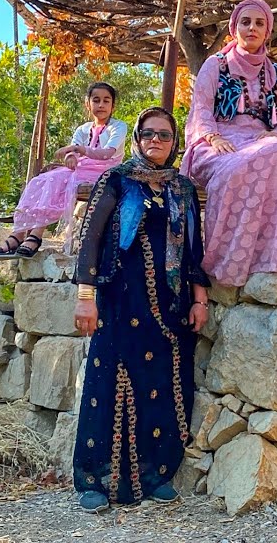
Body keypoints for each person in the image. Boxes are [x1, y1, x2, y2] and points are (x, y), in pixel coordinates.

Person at [70, 107, 210, 513]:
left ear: (175, 142)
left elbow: (194, 250)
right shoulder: (117, 180)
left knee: (161, 386)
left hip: (169, 309)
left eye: (164, 135)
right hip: (118, 302)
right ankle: (94, 480)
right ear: (136, 139)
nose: (156, 140)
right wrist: (85, 296)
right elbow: (91, 239)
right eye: (148, 133)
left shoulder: (183, 189)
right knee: (105, 386)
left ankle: (154, 474)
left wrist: (200, 299)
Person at [180, 0, 277, 287]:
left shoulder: (276, 73)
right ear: (234, 28)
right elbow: (201, 108)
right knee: (238, 167)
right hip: (216, 142)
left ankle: (271, 258)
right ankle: (224, 261)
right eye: (245, 22)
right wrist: (212, 136)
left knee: (274, 153)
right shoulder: (216, 65)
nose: (252, 28)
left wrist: (275, 135)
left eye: (259, 23)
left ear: (268, 31)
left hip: (260, 143)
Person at [0, 82, 127, 258]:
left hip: (105, 172)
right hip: (80, 170)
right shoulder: (83, 129)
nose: (101, 105)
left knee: (57, 180)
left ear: (112, 105)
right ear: (88, 104)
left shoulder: (118, 127)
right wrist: (70, 158)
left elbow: (107, 154)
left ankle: (36, 235)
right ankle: (19, 232)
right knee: (39, 180)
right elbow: (71, 153)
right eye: (96, 100)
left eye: (106, 101)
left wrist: (78, 150)